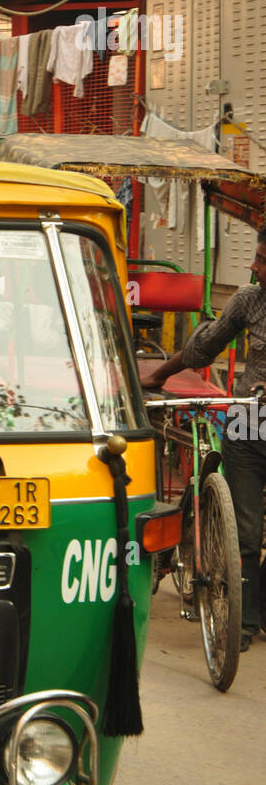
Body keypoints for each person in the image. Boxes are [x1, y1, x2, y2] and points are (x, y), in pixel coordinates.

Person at [141, 224, 266, 650]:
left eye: (263, 260)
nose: (253, 266)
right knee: (246, 533)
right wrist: (159, 374)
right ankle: (245, 622)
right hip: (249, 424)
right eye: (254, 256)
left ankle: (258, 607)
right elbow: (204, 347)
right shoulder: (249, 300)